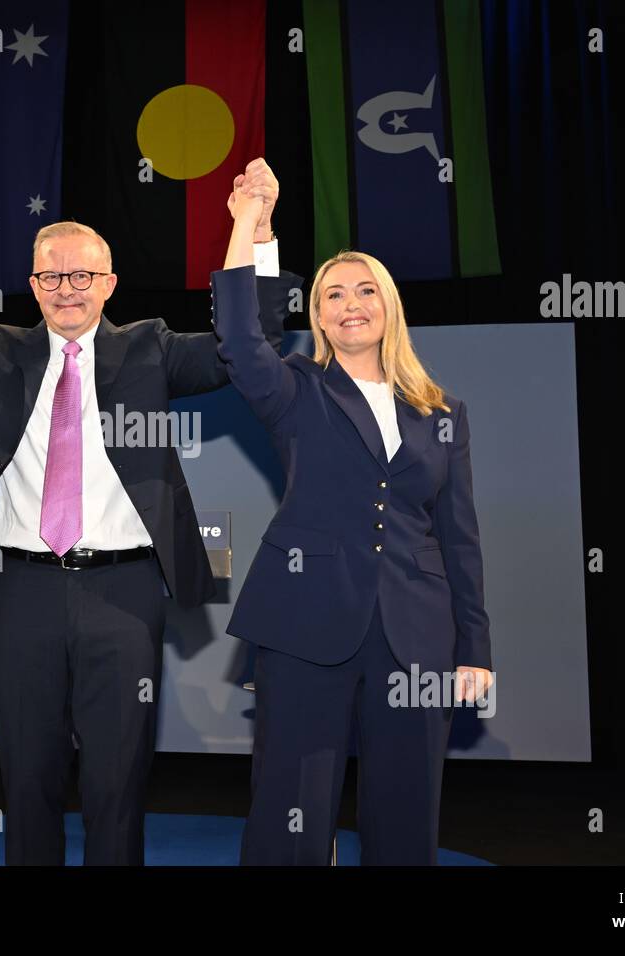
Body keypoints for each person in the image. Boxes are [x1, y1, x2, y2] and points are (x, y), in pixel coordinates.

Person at [0, 154, 296, 865]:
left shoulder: (151, 348)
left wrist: (254, 231)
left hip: (126, 593)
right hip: (22, 589)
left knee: (117, 781)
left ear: (109, 284)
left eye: (83, 275)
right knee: (27, 777)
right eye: (52, 275)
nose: (67, 290)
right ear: (33, 284)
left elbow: (248, 345)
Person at [211, 179, 495, 865]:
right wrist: (250, 221)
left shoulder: (443, 411)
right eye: (333, 295)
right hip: (304, 624)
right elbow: (240, 337)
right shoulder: (294, 389)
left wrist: (475, 648)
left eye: (365, 290)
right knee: (289, 813)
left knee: (406, 813)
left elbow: (459, 537)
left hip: (418, 633)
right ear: (317, 315)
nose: (350, 304)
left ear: (389, 307)